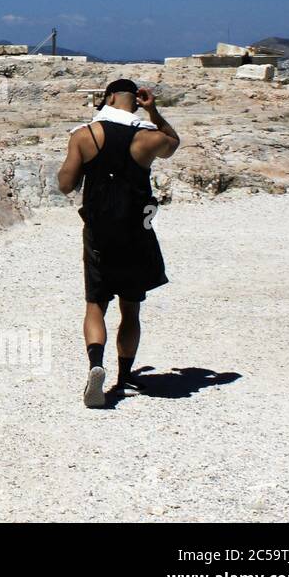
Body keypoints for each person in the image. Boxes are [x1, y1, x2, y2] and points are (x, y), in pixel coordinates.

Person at [56, 79, 180, 408]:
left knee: (96, 305)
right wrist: (154, 111)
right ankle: (124, 378)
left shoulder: (85, 134)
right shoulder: (148, 137)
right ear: (136, 101)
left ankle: (96, 365)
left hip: (99, 231)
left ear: (109, 97)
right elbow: (173, 143)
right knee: (131, 308)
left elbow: (65, 185)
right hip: (136, 232)